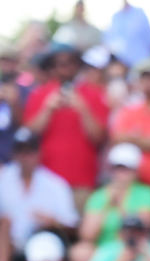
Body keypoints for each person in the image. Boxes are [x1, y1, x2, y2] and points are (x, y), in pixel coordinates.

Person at [24, 44, 109, 210]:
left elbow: (98, 138)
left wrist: (83, 109)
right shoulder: (40, 94)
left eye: (70, 62)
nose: (65, 67)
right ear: (52, 67)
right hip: (47, 178)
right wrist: (47, 109)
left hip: (82, 179)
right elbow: (29, 135)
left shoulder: (94, 94)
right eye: (59, 63)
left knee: (79, 230)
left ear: (77, 65)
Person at [0, 127, 78, 261]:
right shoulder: (3, 179)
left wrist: (52, 221)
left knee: (44, 234)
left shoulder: (55, 184)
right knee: (4, 223)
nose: (25, 157)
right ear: (14, 154)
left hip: (40, 239)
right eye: (21, 151)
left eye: (29, 151)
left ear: (38, 153)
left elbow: (71, 225)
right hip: (9, 243)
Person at [73, 143, 150, 261]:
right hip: (104, 248)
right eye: (118, 168)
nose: (121, 173)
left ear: (135, 170)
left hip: (134, 246)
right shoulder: (99, 196)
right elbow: (87, 235)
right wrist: (107, 203)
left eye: (126, 168)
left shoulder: (146, 194)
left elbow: (142, 228)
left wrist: (119, 205)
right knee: (81, 252)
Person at [109, 58, 150, 191]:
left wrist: (135, 139)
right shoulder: (129, 110)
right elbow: (117, 138)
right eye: (145, 78)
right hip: (137, 186)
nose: (149, 82)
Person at [104, 1, 150, 67]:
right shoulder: (115, 17)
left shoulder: (139, 13)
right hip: (121, 66)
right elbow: (108, 42)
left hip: (141, 63)